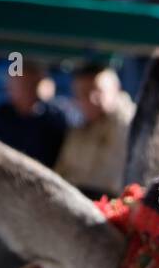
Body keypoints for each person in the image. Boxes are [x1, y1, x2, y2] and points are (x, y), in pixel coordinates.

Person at [54, 65, 135, 199]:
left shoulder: (131, 125)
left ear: (116, 90)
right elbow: (62, 172)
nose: (91, 99)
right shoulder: (78, 131)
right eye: (83, 94)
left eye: (97, 91)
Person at [0, 61, 67, 168]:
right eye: (22, 85)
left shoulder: (54, 120)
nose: (27, 91)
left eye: (32, 85)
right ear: (10, 86)